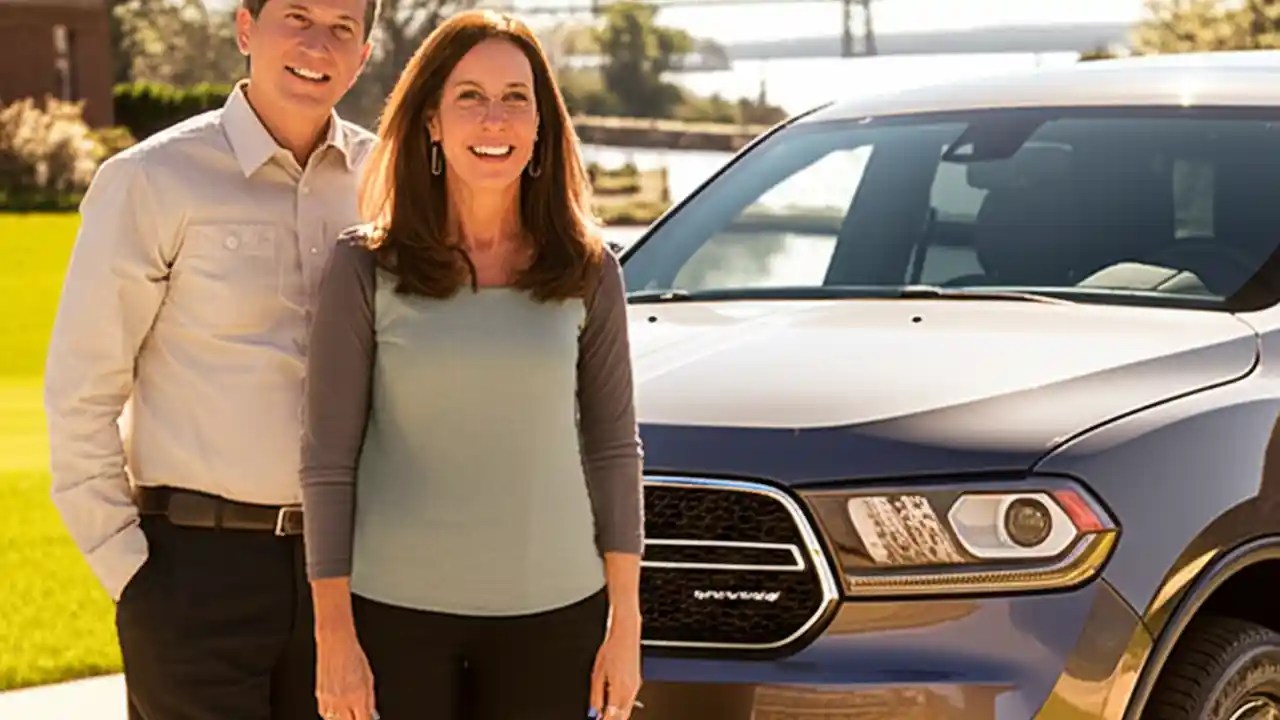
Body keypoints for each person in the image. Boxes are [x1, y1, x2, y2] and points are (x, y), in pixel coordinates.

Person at [298, 9, 646, 720]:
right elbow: (328, 461)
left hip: (555, 617)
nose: (495, 121)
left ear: (542, 124)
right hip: (395, 617)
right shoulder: (364, 267)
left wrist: (627, 624)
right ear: (430, 122)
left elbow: (613, 450)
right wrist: (333, 636)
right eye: (470, 98)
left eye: (516, 98)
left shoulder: (589, 270)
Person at [42, 0, 380, 716]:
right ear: (245, 28)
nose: (318, 44)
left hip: (354, 578)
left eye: (342, 28)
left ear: (365, 54)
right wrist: (132, 576)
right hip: (193, 576)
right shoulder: (152, 180)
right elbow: (81, 391)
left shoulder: (390, 185)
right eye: (296, 16)